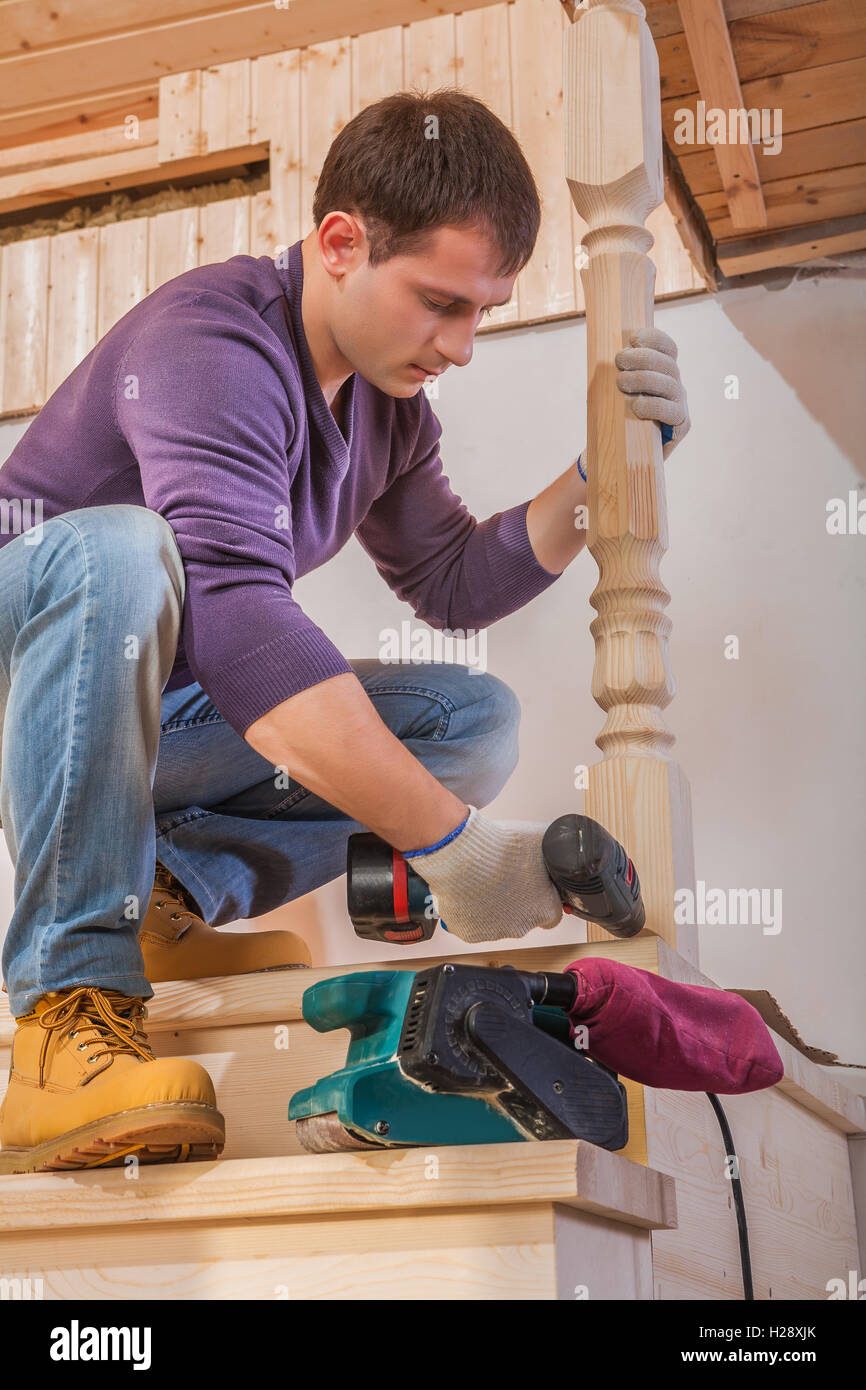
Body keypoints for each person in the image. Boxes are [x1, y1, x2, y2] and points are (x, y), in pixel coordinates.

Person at [0, 89, 689, 1173]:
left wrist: (605, 473)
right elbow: (234, 619)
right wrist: (455, 846)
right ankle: (63, 1005)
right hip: (30, 679)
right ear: (338, 243)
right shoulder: (209, 339)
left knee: (469, 718)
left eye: (481, 311)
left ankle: (160, 897)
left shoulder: (387, 415)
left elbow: (455, 579)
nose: (459, 345)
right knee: (120, 550)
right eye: (437, 303)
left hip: (152, 717)